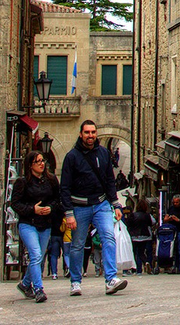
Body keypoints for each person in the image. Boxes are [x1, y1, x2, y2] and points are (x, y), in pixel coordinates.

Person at [60, 120, 127, 296]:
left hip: (101, 204)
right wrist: (69, 213)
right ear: (81, 134)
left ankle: (111, 278)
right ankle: (75, 281)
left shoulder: (103, 153)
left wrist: (116, 204)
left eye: (93, 132)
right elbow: (64, 187)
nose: (90, 136)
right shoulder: (71, 157)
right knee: (77, 245)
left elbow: (109, 181)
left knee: (108, 237)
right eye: (87, 132)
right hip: (79, 206)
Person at [12, 149, 62, 303]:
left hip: (45, 224)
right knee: (35, 254)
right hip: (28, 223)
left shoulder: (51, 180)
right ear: (30, 165)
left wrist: (50, 208)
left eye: (42, 161)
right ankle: (38, 288)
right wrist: (33, 209)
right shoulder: (22, 182)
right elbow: (15, 204)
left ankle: (25, 284)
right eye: (37, 161)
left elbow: (57, 199)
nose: (41, 164)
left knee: (39, 257)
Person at [126, 198, 155, 275]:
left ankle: (137, 270)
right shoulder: (148, 215)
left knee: (134, 253)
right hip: (145, 236)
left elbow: (128, 225)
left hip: (134, 237)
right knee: (141, 253)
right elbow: (153, 222)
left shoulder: (132, 215)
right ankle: (146, 262)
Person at [163, 194, 180, 274]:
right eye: (174, 202)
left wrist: (178, 220)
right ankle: (173, 267)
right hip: (171, 232)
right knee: (172, 250)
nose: (175, 204)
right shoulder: (171, 209)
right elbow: (165, 219)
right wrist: (169, 218)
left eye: (177, 202)